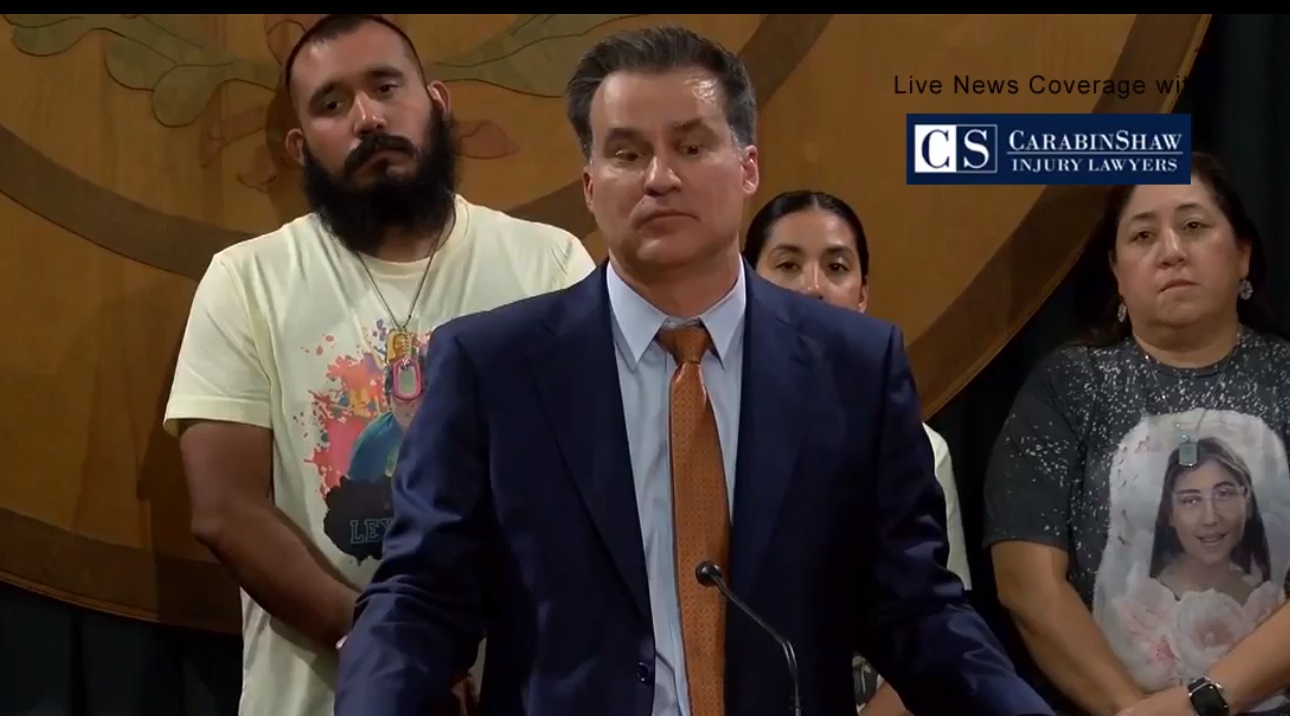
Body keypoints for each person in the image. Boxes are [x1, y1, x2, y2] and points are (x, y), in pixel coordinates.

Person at [336, 24, 1052, 716]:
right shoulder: (493, 368)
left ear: (748, 168)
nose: (660, 177)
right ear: (590, 186)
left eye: (690, 145)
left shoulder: (854, 369)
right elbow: (420, 599)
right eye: (626, 153)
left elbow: (918, 607)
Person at [163, 13, 594, 716]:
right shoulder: (246, 281)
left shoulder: (549, 264)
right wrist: (385, 647)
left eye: (387, 87)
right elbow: (224, 511)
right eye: (332, 104)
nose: (367, 118)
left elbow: (595, 481)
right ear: (301, 146)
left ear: (437, 103)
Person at [984, 152, 1290, 716]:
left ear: (1242, 254)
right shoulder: (1067, 386)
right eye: (1143, 235)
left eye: (1194, 226)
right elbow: (1027, 584)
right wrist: (1133, 710)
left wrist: (1205, 702)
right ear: (1117, 272)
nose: (1171, 251)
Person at [743, 189, 974, 715]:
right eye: (788, 265)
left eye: (837, 267)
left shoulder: (922, 449)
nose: (813, 287)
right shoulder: (706, 429)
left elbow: (934, 621)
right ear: (747, 283)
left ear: (863, 294)